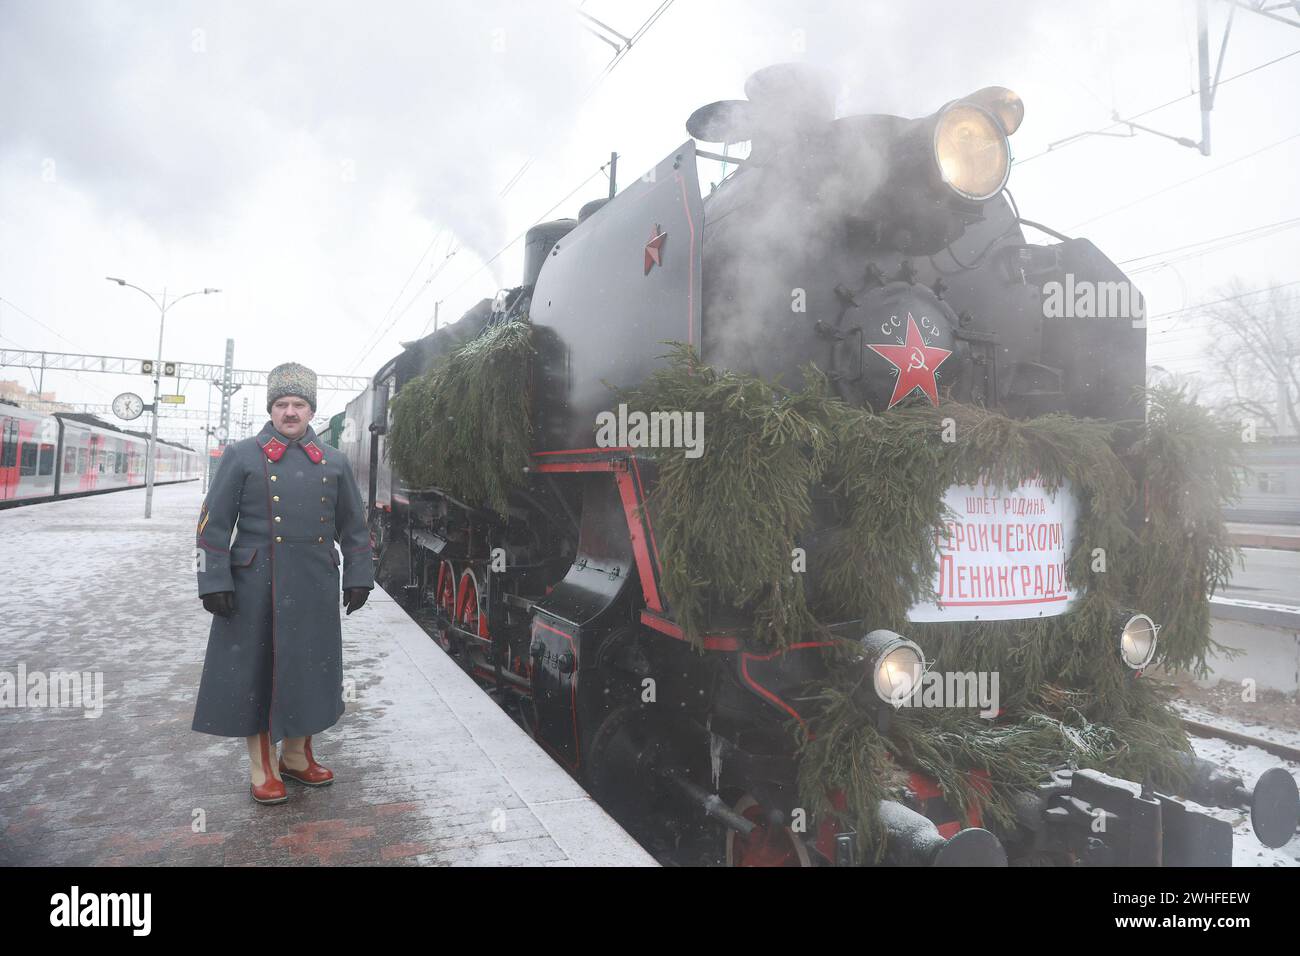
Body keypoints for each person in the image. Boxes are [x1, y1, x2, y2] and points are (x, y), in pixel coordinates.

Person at [192, 361, 374, 804]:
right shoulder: (241, 455)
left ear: (311, 410)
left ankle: (296, 757)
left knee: (310, 670)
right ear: (271, 409)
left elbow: (354, 526)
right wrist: (212, 580)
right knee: (256, 673)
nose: (289, 412)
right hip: (254, 585)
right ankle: (262, 768)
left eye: (298, 404)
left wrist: (360, 575)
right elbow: (212, 526)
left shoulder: (333, 462)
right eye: (281, 404)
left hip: (314, 583)